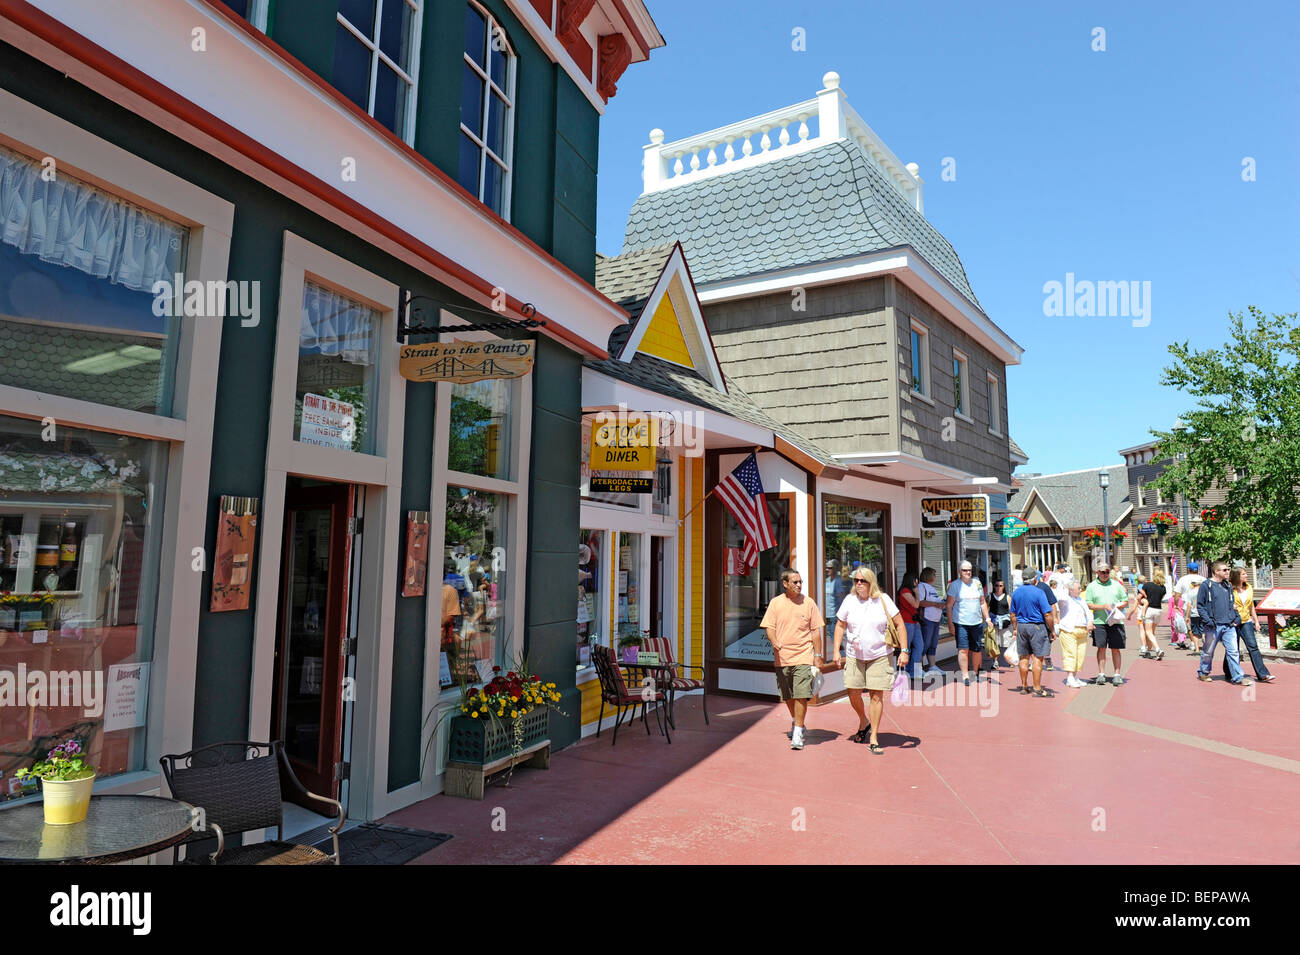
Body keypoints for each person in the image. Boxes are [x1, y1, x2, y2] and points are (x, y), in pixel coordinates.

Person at [832, 567, 908, 754]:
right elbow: (840, 626)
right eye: (856, 580)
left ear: (870, 582)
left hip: (880, 654)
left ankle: (873, 736)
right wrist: (835, 651)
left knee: (876, 695)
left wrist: (904, 651)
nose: (858, 584)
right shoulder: (849, 601)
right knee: (852, 691)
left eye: (862, 581)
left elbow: (900, 624)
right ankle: (863, 720)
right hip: (853, 654)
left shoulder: (883, 599)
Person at [760, 569, 826, 750]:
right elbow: (769, 627)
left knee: (801, 694)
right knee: (787, 695)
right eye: (795, 582)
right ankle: (798, 722)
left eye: (800, 582)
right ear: (785, 584)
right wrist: (775, 642)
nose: (799, 585)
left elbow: (815, 632)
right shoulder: (776, 603)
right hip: (782, 657)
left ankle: (797, 732)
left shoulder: (809, 603)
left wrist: (818, 656)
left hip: (804, 655)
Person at [1196, 560, 1250, 686]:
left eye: (1227, 569)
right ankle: (1204, 672)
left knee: (1234, 651)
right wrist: (1208, 621)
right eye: (1225, 570)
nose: (1227, 572)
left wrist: (1236, 618)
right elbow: (1200, 606)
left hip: (1229, 625)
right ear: (1216, 571)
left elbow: (1232, 604)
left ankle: (1238, 676)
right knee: (1208, 651)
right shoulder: (1206, 585)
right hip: (1213, 625)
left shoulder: (1228, 586)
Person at [1009, 567, 1056, 696]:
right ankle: (1037, 688)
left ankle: (1024, 686)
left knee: (1023, 657)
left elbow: (1012, 614)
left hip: (1022, 626)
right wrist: (1052, 630)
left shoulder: (1016, 592)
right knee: (1037, 658)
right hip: (1037, 626)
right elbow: (1047, 614)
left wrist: (1015, 628)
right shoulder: (1038, 592)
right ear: (1035, 578)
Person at [946, 561, 992, 685]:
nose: (968, 572)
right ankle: (965, 675)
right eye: (965, 570)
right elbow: (949, 606)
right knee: (963, 649)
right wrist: (950, 625)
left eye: (970, 570)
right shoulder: (955, 585)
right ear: (959, 572)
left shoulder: (977, 584)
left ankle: (975, 672)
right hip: (960, 622)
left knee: (976, 649)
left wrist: (987, 618)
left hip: (976, 622)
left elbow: (982, 602)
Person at [1226, 568, 1275, 683]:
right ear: (1237, 576)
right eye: (1243, 574)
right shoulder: (1229, 589)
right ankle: (1229, 671)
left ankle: (1263, 674)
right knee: (1233, 648)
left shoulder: (1248, 588)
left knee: (1253, 647)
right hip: (1233, 622)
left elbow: (1251, 605)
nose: (1246, 575)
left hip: (1246, 621)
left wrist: (1256, 621)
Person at [1085, 563, 1130, 686]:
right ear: (1097, 573)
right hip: (1099, 622)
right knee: (1101, 648)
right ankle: (1101, 674)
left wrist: (1117, 606)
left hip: (1115, 621)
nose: (1105, 574)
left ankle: (1117, 674)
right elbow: (1088, 604)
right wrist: (1103, 606)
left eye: (1107, 572)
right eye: (1102, 572)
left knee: (1116, 648)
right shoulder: (1091, 586)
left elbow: (1125, 601)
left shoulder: (1116, 585)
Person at [1056, 579, 1094, 687]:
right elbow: (1059, 597)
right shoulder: (1065, 599)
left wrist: (1090, 622)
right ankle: (1069, 677)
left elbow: (1088, 612)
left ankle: (1074, 676)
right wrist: (1065, 587)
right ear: (1071, 590)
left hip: (1082, 630)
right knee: (1070, 654)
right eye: (1078, 588)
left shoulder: (1081, 600)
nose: (1081, 590)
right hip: (1068, 630)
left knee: (1080, 655)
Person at [917, 567, 944, 675]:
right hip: (927, 619)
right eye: (934, 574)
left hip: (935, 619)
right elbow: (920, 602)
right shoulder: (922, 586)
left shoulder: (931, 588)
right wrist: (935, 604)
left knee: (933, 644)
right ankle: (919, 668)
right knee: (924, 644)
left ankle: (932, 666)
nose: (935, 576)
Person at [1175, 561, 1206, 653]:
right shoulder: (1203, 579)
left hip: (1187, 606)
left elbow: (1177, 594)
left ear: (1188, 569)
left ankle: (1193, 642)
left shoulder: (1183, 579)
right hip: (1202, 606)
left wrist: (1176, 605)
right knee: (1202, 624)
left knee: (1190, 625)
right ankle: (1204, 638)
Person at [897, 572, 923, 678]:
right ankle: (906, 671)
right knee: (907, 647)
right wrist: (917, 594)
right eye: (915, 580)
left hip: (915, 622)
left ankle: (914, 671)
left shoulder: (910, 591)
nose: (917, 582)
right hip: (907, 622)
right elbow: (916, 604)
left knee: (920, 646)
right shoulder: (905, 591)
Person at [1035, 569, 1062, 671]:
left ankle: (1047, 658)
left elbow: (1052, 603)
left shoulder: (1044, 587)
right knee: (1034, 641)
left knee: (1047, 639)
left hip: (1045, 618)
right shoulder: (1026, 588)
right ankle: (1036, 661)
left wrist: (1054, 618)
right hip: (1032, 620)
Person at [1136, 570, 1166, 659]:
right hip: (1158, 610)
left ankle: (1158, 649)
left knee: (1148, 632)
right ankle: (1148, 651)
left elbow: (1139, 597)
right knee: (1152, 632)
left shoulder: (1147, 585)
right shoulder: (1163, 588)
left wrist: (1141, 601)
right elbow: (1161, 598)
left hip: (1149, 610)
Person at [988, 579, 1013, 668]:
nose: (998, 587)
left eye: (1001, 586)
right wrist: (987, 620)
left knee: (1007, 642)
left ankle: (1009, 660)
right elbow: (986, 608)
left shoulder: (1007, 597)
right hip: (994, 623)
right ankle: (995, 661)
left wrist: (1014, 624)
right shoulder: (990, 597)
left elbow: (1011, 611)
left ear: (1004, 587)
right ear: (994, 587)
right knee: (995, 643)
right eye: (997, 585)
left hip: (1005, 623)